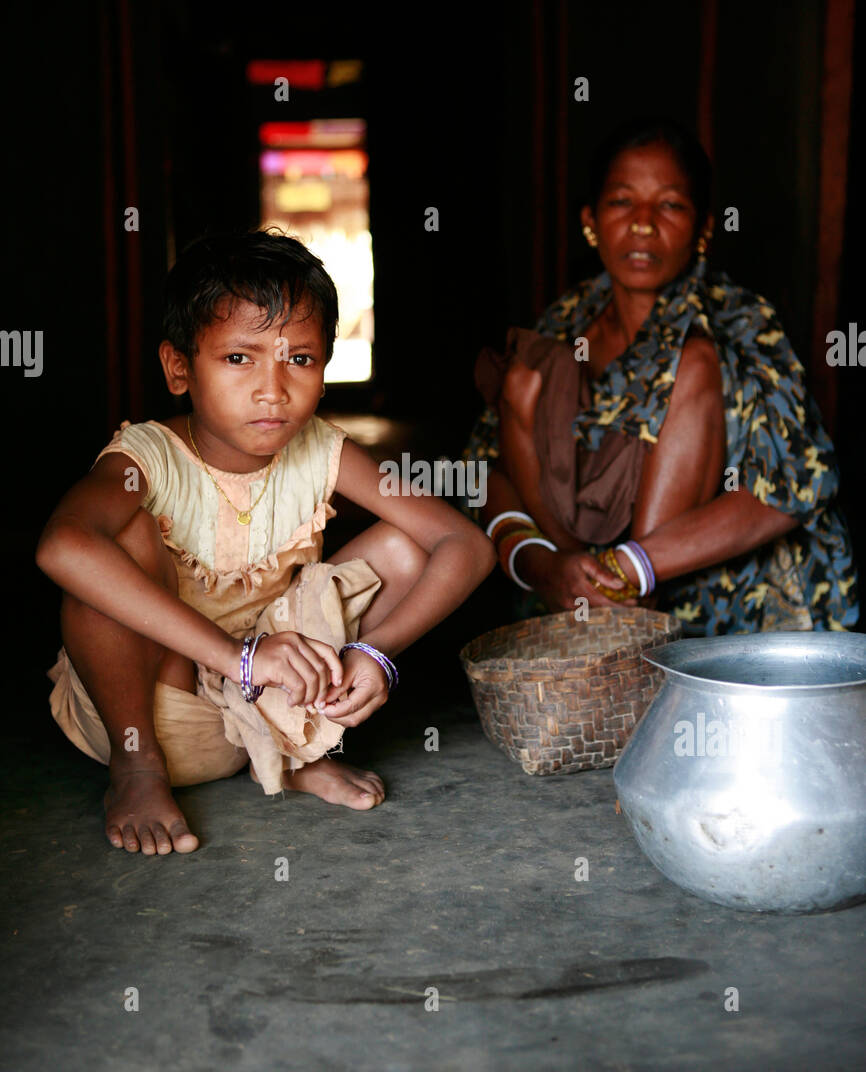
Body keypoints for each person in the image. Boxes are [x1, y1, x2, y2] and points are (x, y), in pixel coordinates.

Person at [37, 231, 495, 855]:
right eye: (239, 358)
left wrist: (379, 652)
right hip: (153, 711)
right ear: (178, 368)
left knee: (407, 548)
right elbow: (61, 548)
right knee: (111, 545)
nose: (272, 389)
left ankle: (292, 756)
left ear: (326, 369)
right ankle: (135, 772)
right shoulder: (145, 457)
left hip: (278, 705)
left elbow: (464, 544)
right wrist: (241, 658)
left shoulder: (323, 449)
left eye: (299, 359)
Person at [464, 118, 858, 634]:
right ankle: (590, 614)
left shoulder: (738, 320)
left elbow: (798, 485)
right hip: (566, 585)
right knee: (524, 376)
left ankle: (630, 625)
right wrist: (544, 567)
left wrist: (628, 568)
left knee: (693, 363)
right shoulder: (568, 319)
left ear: (704, 228)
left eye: (670, 205)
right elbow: (484, 467)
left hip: (704, 597)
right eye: (622, 201)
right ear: (591, 220)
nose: (644, 224)